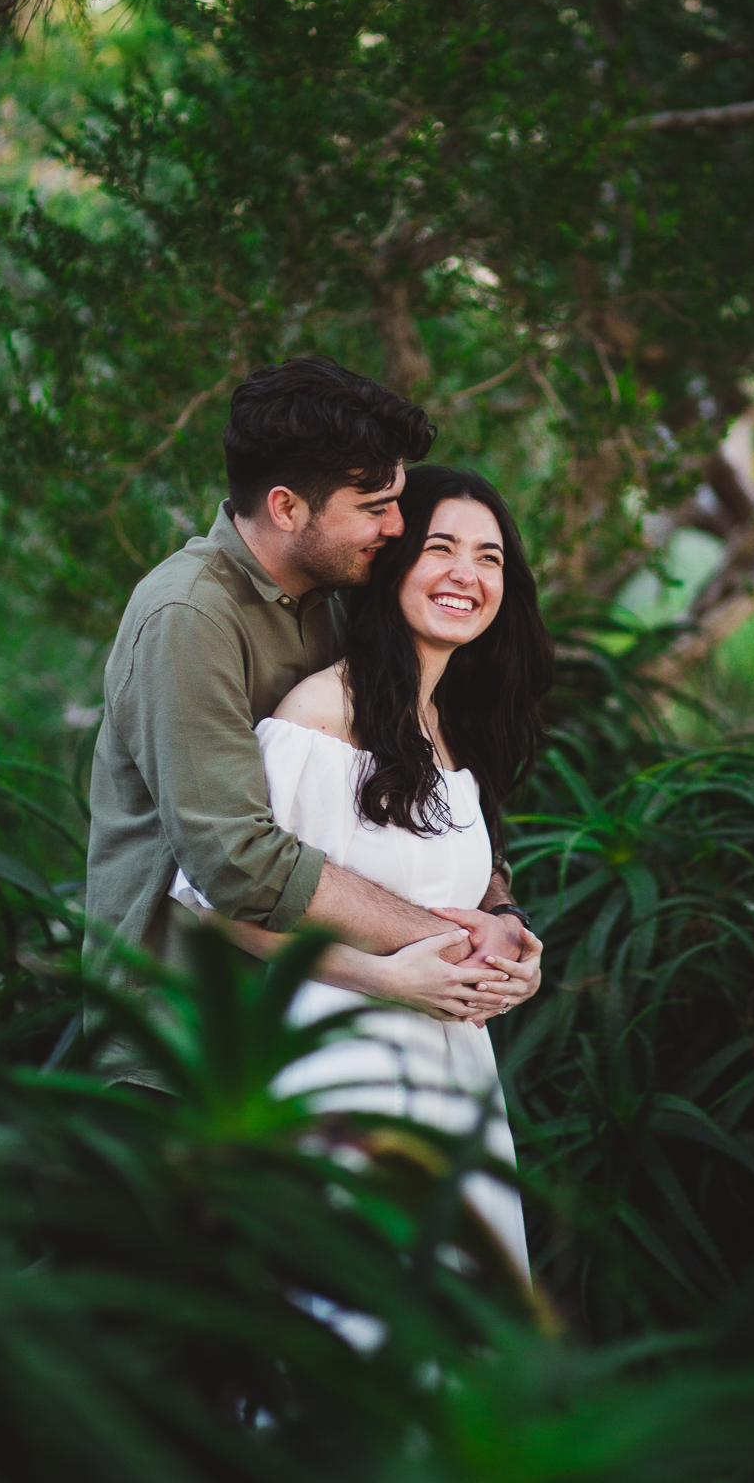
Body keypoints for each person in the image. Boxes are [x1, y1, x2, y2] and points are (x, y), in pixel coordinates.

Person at [86, 359, 541, 1093]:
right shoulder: (189, 616)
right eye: (373, 506)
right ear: (287, 508)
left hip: (317, 1047)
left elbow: (408, 800)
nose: (397, 526)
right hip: (181, 1057)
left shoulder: (340, 605)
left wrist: (501, 911)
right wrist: (460, 944)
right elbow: (236, 862)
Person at [172, 464, 553, 1277]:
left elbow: (458, 881)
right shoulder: (319, 717)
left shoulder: (455, 725)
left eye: (488, 558)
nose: (466, 575)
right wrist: (387, 981)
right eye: (441, 548)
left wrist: (513, 937)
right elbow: (214, 901)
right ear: (394, 563)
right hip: (339, 1062)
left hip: (453, 1067)